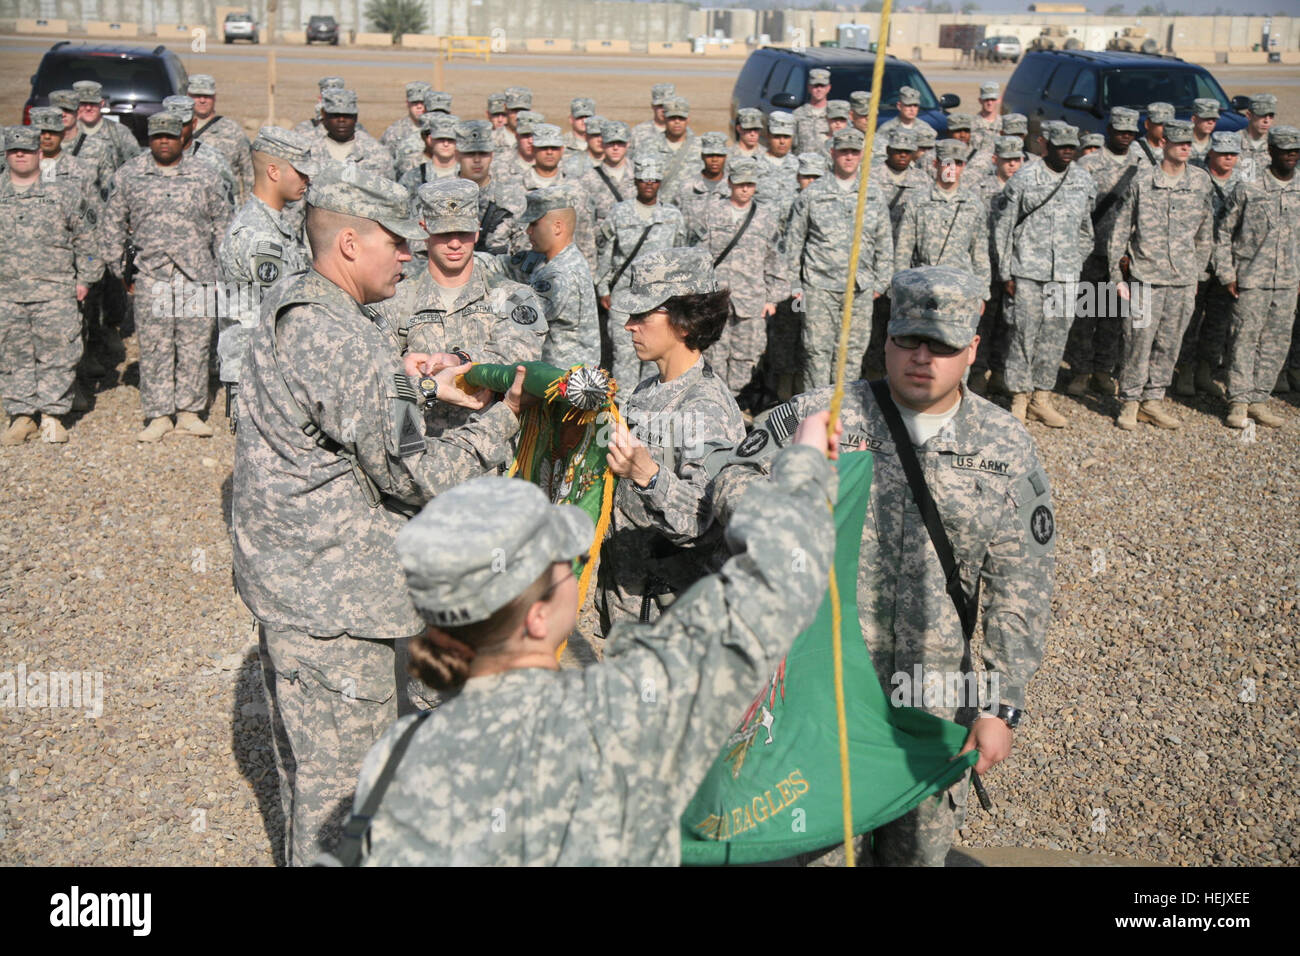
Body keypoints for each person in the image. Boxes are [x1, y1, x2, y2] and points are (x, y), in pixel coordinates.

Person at [348, 397, 837, 866]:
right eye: (566, 566)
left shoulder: (398, 754)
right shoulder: (615, 715)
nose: (578, 569)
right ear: (537, 619)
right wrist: (802, 469)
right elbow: (777, 579)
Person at [232, 164, 531, 866]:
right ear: (348, 246)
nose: (409, 254)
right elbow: (409, 470)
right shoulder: (337, 335)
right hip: (331, 597)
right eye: (395, 242)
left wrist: (414, 376)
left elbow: (343, 401)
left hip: (298, 582)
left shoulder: (310, 305)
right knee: (344, 795)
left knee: (309, 774)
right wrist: (503, 423)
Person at [712, 265, 1055, 866]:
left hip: (933, 698)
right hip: (827, 693)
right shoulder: (824, 413)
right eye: (907, 340)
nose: (921, 357)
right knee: (821, 847)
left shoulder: (1004, 445)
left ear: (973, 349)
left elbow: (1018, 588)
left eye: (942, 345)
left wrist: (1001, 708)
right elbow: (726, 473)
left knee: (918, 852)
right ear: (885, 337)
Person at [597, 248, 746, 633]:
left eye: (643, 315)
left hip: (668, 617)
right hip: (627, 598)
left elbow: (704, 520)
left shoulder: (704, 408)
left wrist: (648, 476)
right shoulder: (648, 389)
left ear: (684, 322)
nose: (630, 325)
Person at [374, 177, 546, 436]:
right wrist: (414, 375)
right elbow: (374, 377)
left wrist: (460, 360)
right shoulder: (394, 300)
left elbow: (521, 364)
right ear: (424, 230)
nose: (455, 243)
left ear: (477, 230)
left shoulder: (515, 296)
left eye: (463, 232)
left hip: (492, 454)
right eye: (444, 233)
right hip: (420, 454)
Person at [100, 111, 230, 442]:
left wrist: (218, 271)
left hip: (196, 276)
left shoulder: (205, 176)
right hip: (152, 277)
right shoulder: (130, 174)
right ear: (149, 139)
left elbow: (222, 224)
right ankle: (158, 414)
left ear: (181, 139)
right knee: (155, 346)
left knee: (194, 345)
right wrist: (123, 269)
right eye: (157, 136)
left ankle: (188, 411)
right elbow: (111, 224)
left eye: (170, 136)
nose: (163, 141)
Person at [1109, 119, 1214, 432]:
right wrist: (1117, 277)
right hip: (1145, 278)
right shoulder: (1143, 180)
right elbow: (1119, 231)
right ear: (1164, 143)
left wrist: (1196, 272)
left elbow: (1205, 232)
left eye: (1188, 143)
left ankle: (1153, 400)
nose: (1185, 148)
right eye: (1179, 142)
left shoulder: (1200, 180)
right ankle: (1129, 401)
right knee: (1137, 341)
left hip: (1182, 279)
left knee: (1169, 344)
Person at [0, 126, 101, 445]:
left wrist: (85, 279)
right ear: (6, 156)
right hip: (7, 294)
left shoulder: (64, 193)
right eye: (15, 151)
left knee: (59, 353)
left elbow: (88, 242)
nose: (21, 155)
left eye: (27, 151)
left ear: (39, 155)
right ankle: (22, 416)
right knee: (13, 355)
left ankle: (53, 416)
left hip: (55, 292)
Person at [993, 122, 1096, 427]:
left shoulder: (1082, 180)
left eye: (1071, 146)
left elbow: (1086, 231)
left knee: (1055, 337)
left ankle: (1041, 397)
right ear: (1044, 144)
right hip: (1026, 272)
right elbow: (1004, 228)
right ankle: (1019, 398)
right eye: (1061, 145)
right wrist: (1005, 272)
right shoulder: (1024, 178)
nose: (1067, 151)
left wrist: (1073, 261)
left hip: (1064, 275)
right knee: (1022, 335)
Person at [216, 127, 317, 426]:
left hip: (274, 371)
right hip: (260, 375)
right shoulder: (258, 234)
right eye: (300, 172)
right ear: (273, 171)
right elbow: (284, 307)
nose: (306, 180)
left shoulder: (275, 225)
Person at [786, 127, 893, 389]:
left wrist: (881, 282)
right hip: (819, 285)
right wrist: (795, 285)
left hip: (860, 288)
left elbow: (884, 241)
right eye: (843, 151)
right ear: (832, 153)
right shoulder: (813, 194)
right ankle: (816, 411)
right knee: (817, 351)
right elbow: (794, 243)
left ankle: (844, 411)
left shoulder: (873, 194)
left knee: (853, 352)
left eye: (854, 152)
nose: (848, 157)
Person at [1215, 125, 1300, 430]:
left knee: (1277, 341)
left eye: (1296, 151)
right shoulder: (1248, 187)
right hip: (1251, 277)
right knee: (1243, 339)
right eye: (1285, 150)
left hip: (1288, 279)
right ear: (1271, 152)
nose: (1291, 155)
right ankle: (1238, 401)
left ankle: (1259, 399)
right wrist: (1226, 272)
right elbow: (1224, 232)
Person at [687, 158, 788, 398]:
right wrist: (696, 294)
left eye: (750, 184)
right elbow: (695, 255)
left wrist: (773, 299)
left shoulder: (765, 218)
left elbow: (777, 260)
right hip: (715, 298)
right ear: (730, 182)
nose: (745, 189)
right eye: (740, 183)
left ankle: (737, 401)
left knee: (747, 355)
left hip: (751, 299)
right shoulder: (710, 213)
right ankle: (715, 400)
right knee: (713, 353)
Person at [1063, 106, 1143, 399]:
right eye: (1120, 131)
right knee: (1084, 315)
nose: (1125, 136)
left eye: (1130, 132)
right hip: (1091, 251)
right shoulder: (1088, 164)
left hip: (1122, 257)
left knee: (1113, 316)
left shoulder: (1142, 164)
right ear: (1109, 131)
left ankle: (1103, 370)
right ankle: (1080, 371)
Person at [480, 184, 600, 369]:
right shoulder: (542, 259)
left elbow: (519, 310)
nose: (528, 231)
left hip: (565, 382)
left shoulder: (563, 273)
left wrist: (494, 288)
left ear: (557, 227)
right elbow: (501, 264)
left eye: (534, 224)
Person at [596, 155, 687, 392]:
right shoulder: (619, 213)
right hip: (625, 295)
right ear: (635, 181)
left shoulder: (673, 216)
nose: (649, 184)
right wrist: (603, 288)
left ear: (660, 183)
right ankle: (624, 412)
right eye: (644, 179)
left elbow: (679, 257)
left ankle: (651, 407)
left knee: (656, 356)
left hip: (660, 298)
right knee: (624, 355)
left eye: (654, 180)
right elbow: (606, 252)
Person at [1178, 131, 1251, 400]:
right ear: (1211, 153)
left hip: (1227, 264)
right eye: (1223, 153)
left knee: (1218, 322)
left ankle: (1204, 372)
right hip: (1196, 259)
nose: (1229, 158)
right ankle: (1184, 370)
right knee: (1189, 320)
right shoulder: (1196, 178)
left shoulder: (1244, 185)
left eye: (1233, 154)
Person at [893, 140, 990, 290]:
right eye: (947, 163)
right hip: (924, 285)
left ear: (964, 166)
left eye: (957, 163)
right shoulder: (918, 202)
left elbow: (980, 254)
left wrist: (983, 293)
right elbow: (903, 250)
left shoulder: (973, 204)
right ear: (935, 163)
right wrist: (900, 287)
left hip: (962, 287)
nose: (952, 169)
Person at [454, 119, 526, 256]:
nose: (477, 160)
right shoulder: (440, 195)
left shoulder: (511, 198)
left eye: (483, 153)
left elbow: (523, 251)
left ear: (492, 155)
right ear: (457, 155)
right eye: (470, 154)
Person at [187, 74, 254, 204]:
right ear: (188, 97)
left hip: (225, 208)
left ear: (215, 97)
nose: (202, 100)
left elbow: (249, 175)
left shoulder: (233, 131)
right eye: (197, 95)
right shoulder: (177, 131)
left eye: (207, 96)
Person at [305, 89, 393, 181]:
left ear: (355, 117)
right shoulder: (309, 152)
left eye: (347, 115)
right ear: (325, 117)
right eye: (335, 115)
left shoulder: (377, 153)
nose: (341, 120)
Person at [873, 86, 936, 159]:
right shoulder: (886, 129)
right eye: (908, 105)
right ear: (899, 106)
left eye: (915, 106)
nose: (912, 109)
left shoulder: (926, 128)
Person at [380, 81, 433, 160]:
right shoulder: (394, 132)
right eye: (415, 102)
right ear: (407, 103)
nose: (419, 106)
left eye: (423, 102)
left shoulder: (439, 129)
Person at [792, 68, 833, 156]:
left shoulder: (835, 114)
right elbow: (790, 144)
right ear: (809, 88)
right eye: (815, 86)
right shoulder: (798, 114)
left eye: (822, 86)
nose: (819, 89)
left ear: (828, 88)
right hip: (803, 166)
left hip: (826, 167)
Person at [629, 82, 675, 157]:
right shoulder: (637, 132)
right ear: (653, 106)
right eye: (660, 106)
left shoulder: (683, 133)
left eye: (667, 105)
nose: (663, 109)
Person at [1238, 93, 1276, 173]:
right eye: (1262, 115)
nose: (1267, 121)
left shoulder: (1277, 143)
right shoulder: (1233, 141)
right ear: (1249, 115)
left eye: (1271, 116)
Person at [969, 81, 1002, 156]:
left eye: (993, 99)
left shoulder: (1004, 124)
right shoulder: (971, 124)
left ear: (998, 100)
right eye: (986, 99)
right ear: (980, 100)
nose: (990, 103)